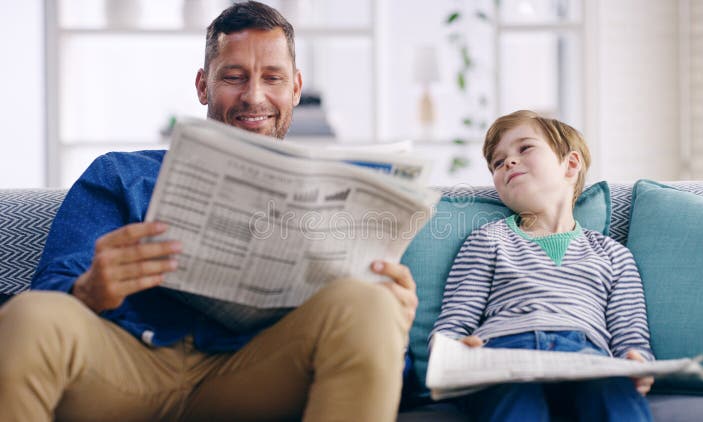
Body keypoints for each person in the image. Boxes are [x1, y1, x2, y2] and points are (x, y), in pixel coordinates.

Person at [0, 2, 417, 421]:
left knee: (372, 305)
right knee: (29, 316)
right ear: (203, 86)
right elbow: (49, 288)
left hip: (258, 371)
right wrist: (89, 289)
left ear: (295, 88)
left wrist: (393, 324)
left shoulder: (339, 198)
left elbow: (396, 373)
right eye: (233, 78)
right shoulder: (121, 174)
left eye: (272, 78)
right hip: (125, 365)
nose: (254, 96)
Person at [431, 110, 655, 421]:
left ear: (571, 164)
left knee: (614, 393)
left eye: (525, 148)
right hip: (504, 355)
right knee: (515, 400)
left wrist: (637, 363)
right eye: (497, 162)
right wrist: (457, 353)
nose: (508, 161)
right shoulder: (487, 240)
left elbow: (631, 338)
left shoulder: (613, 255)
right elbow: (453, 325)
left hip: (586, 359)